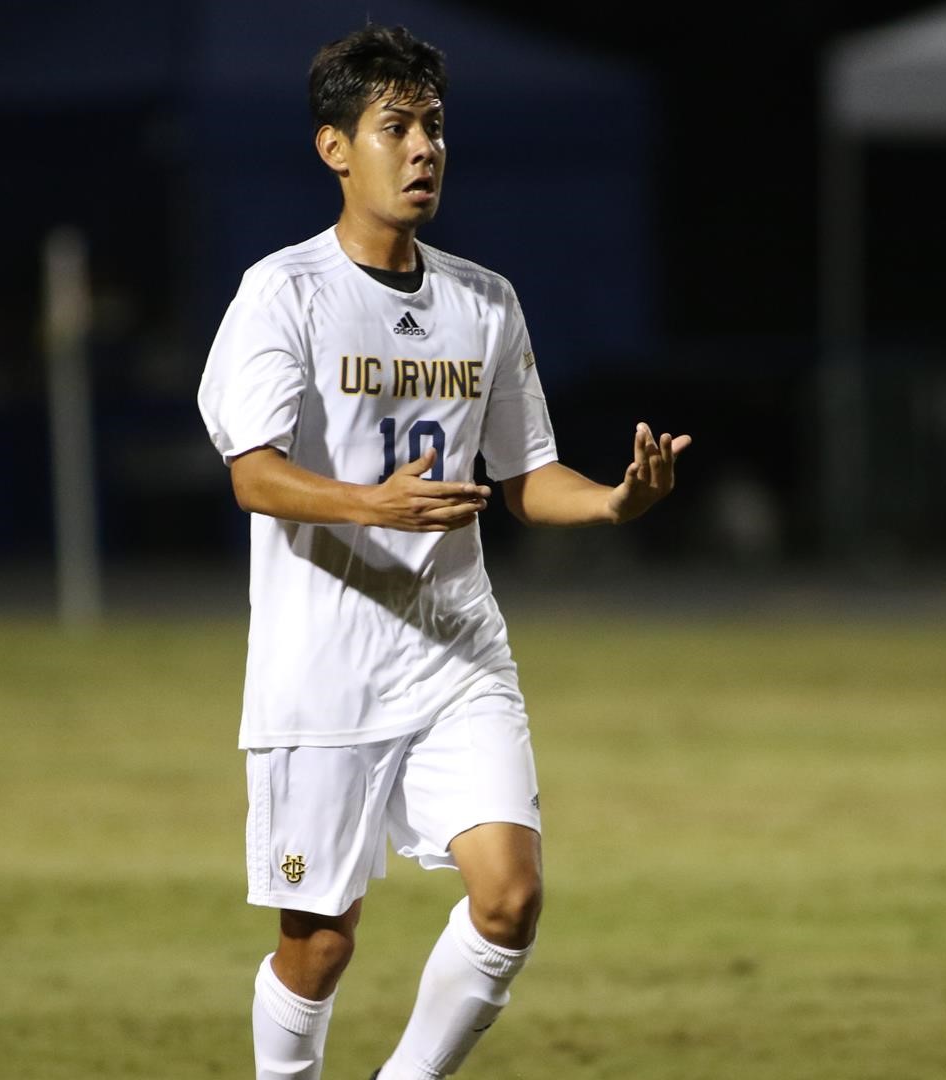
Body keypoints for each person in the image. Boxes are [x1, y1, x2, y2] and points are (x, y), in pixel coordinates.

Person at [196, 23, 691, 1080]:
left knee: (510, 893)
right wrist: (366, 503)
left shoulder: (484, 302)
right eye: (396, 127)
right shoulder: (285, 293)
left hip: (458, 652)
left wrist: (612, 503)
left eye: (434, 127)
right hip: (322, 668)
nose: (423, 149)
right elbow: (253, 473)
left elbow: (524, 476)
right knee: (319, 945)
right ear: (336, 147)